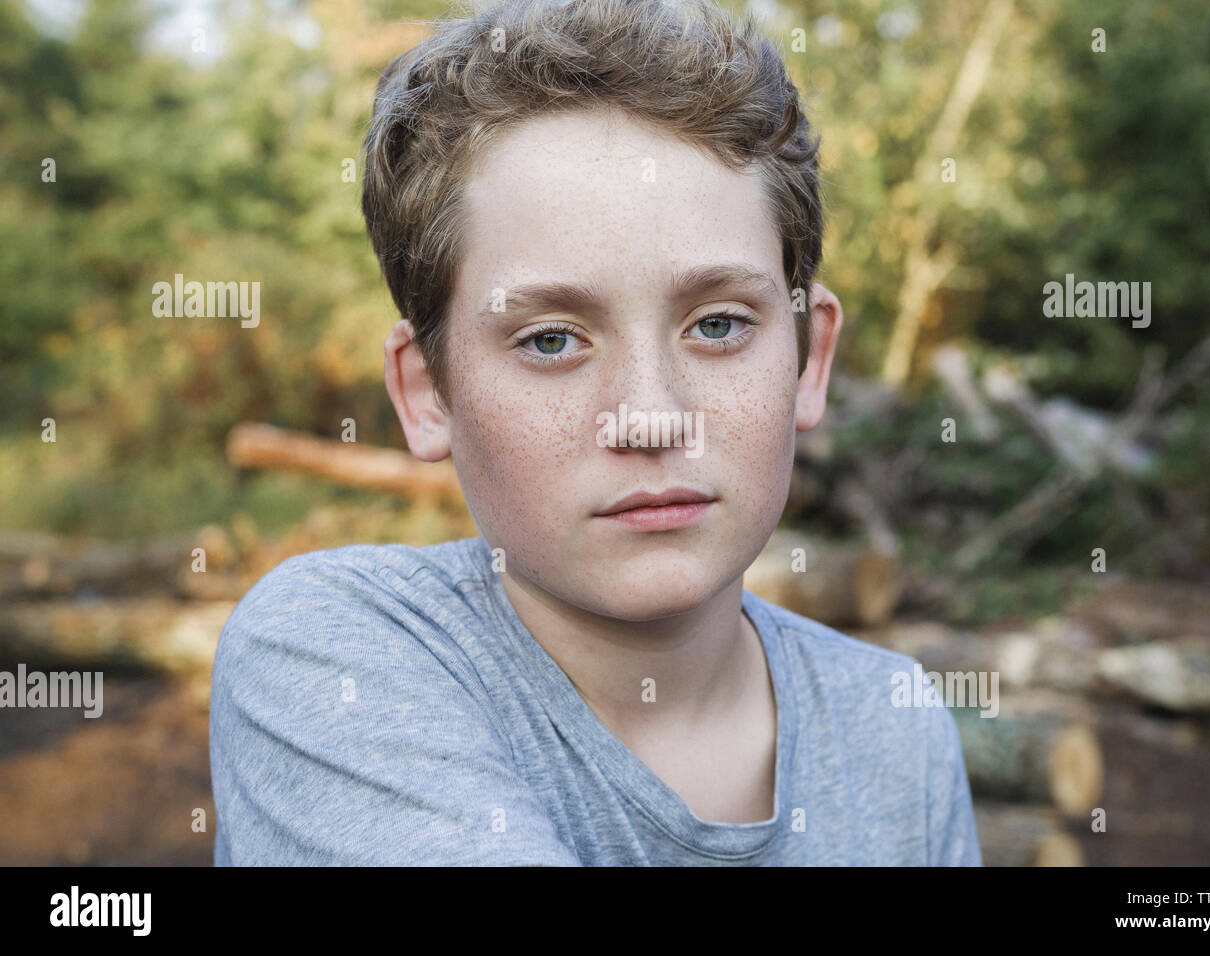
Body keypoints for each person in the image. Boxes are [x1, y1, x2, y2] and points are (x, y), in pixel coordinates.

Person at [209, 0, 982, 866]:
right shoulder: (329, 657)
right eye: (550, 340)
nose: (651, 416)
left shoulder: (897, 729)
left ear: (810, 358)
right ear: (428, 392)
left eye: (719, 325)